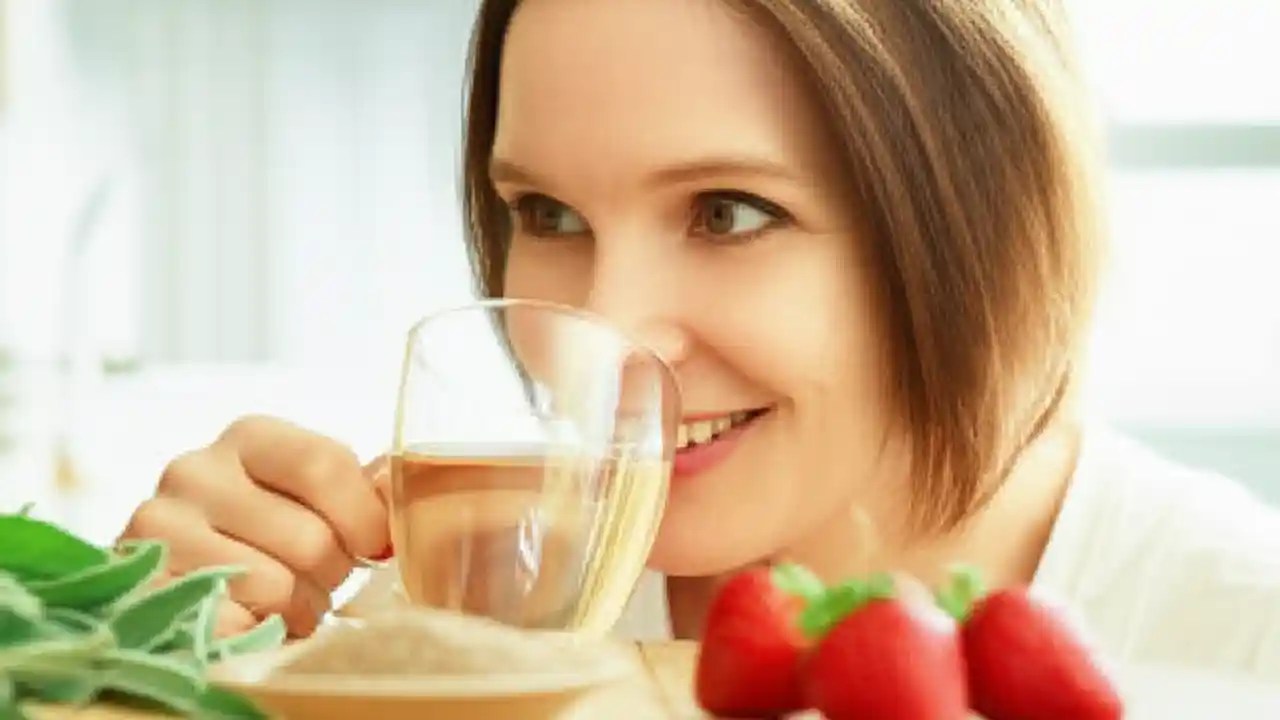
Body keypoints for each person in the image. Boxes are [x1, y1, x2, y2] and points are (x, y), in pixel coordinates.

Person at [119, 0, 1280, 680]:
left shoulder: (1232, 635)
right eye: (549, 215)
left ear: (985, 224)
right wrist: (160, 662)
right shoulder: (464, 632)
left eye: (728, 213)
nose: (598, 340)